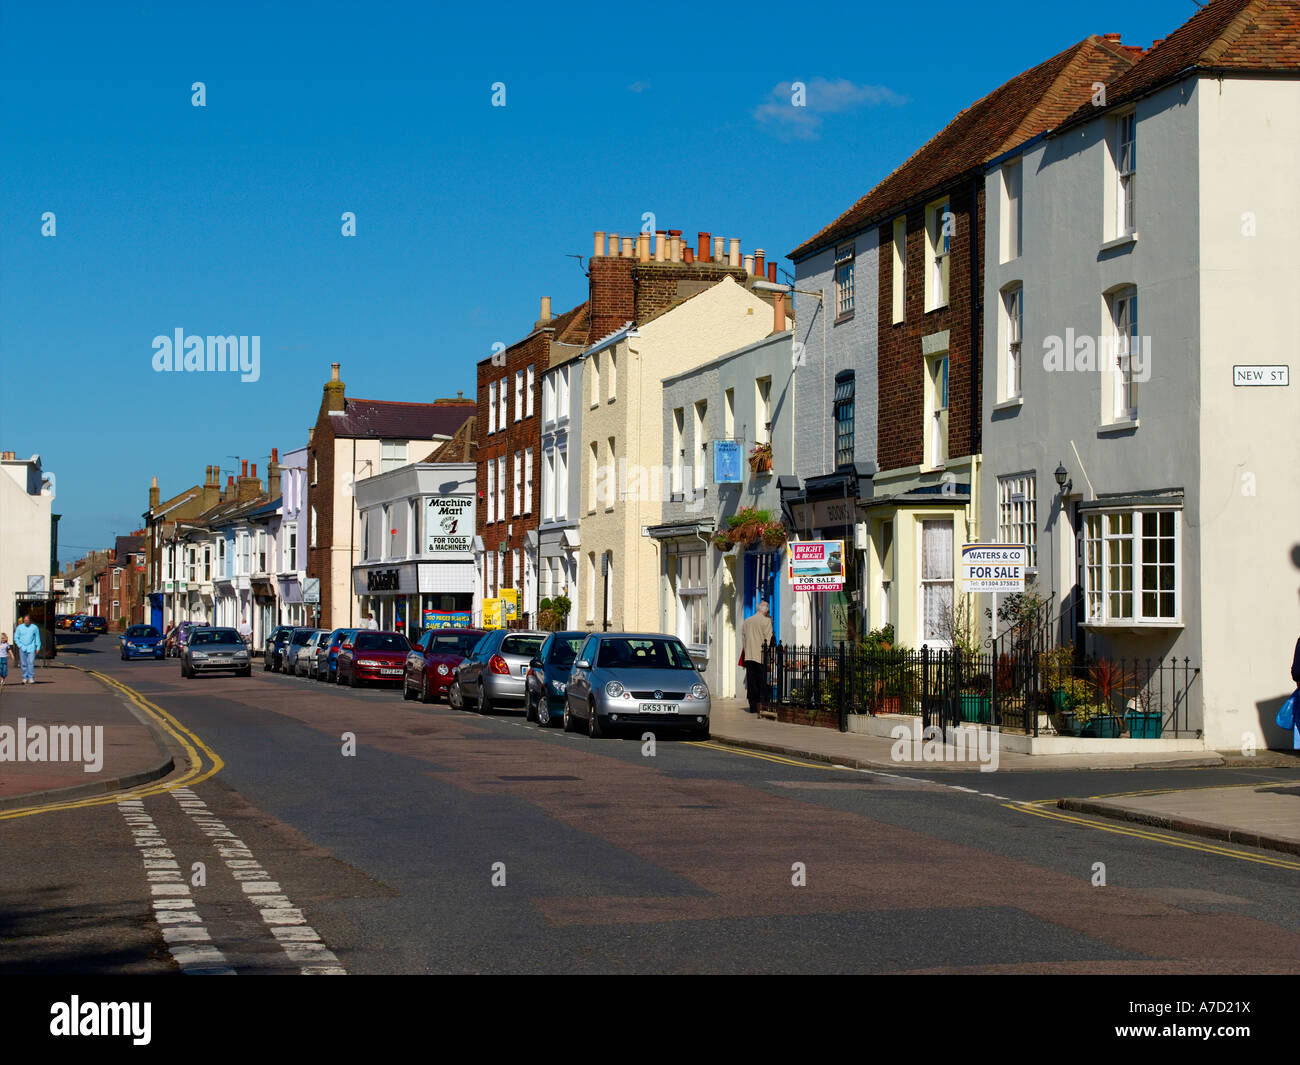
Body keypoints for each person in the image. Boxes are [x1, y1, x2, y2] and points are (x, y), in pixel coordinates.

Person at [740, 600, 774, 714]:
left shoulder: (747, 621)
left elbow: (743, 640)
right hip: (760, 656)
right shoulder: (766, 621)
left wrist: (748, 651)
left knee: (751, 682)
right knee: (761, 682)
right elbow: (768, 640)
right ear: (766, 610)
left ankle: (752, 706)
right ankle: (761, 705)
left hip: (749, 656)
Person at [14, 614, 41, 686]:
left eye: (27, 620)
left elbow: (37, 638)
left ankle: (31, 677)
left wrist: (38, 647)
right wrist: (20, 646)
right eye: (24, 620)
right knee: (23, 664)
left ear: (30, 620)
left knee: (31, 663)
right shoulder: (19, 627)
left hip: (31, 647)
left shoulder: (34, 627)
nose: (26, 621)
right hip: (22, 647)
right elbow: (16, 638)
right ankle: (24, 677)